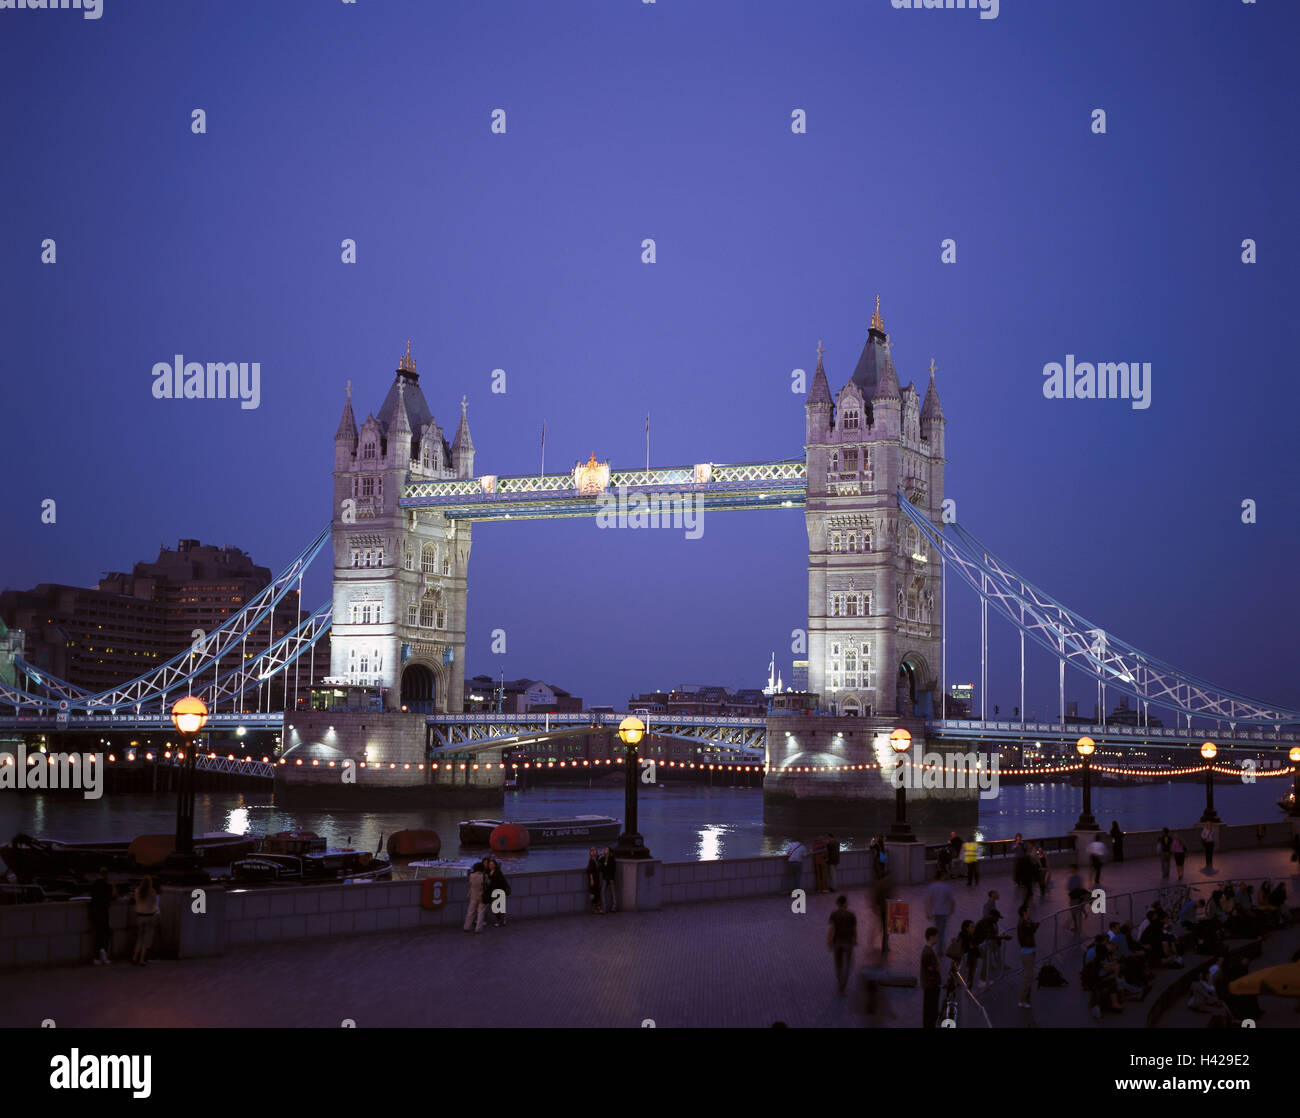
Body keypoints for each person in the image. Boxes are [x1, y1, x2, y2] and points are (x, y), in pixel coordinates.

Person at [827, 895, 857, 995]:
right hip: (848, 943)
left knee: (838, 964)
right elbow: (854, 929)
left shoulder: (834, 914)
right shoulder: (851, 915)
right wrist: (855, 939)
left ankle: (840, 981)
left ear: (838, 904)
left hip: (837, 942)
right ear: (845, 903)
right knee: (848, 965)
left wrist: (828, 942)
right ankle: (843, 987)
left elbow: (831, 929)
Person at [88, 866, 115, 966]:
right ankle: (103, 954)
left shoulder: (94, 885)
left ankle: (96, 957)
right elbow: (113, 896)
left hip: (95, 913)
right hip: (104, 913)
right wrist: (114, 886)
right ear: (106, 875)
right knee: (104, 934)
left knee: (98, 935)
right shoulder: (107, 886)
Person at [131, 875, 159, 965]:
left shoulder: (137, 891)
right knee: (147, 940)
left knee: (139, 938)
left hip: (140, 916)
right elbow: (154, 903)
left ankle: (134, 957)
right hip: (150, 916)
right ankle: (142, 959)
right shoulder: (152, 891)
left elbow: (135, 901)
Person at [925, 876, 956, 953]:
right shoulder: (946, 887)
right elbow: (952, 900)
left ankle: (938, 946)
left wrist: (928, 912)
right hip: (944, 912)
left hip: (935, 912)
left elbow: (928, 900)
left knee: (938, 928)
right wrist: (952, 909)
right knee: (942, 930)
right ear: (942, 877)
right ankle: (940, 948)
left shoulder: (932, 887)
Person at [1016, 904, 1039, 1008]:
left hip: (1029, 950)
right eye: (1028, 909)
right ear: (1024, 912)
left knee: (1029, 975)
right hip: (1027, 951)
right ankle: (1022, 999)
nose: (1030, 911)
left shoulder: (1026, 921)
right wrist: (1034, 924)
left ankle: (1026, 998)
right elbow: (1031, 929)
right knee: (1028, 976)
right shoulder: (1023, 923)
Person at [920, 926, 942, 1028]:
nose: (938, 938)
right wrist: (937, 967)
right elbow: (936, 968)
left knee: (930, 1011)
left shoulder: (927, 951)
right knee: (931, 1012)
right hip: (931, 986)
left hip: (930, 985)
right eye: (936, 936)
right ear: (931, 937)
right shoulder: (928, 952)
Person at [485, 856, 511, 926]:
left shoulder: (498, 872)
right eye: (490, 864)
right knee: (496, 907)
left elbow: (500, 882)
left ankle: (501, 921)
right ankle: (501, 920)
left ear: (495, 865)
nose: (491, 866)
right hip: (493, 891)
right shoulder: (488, 872)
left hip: (499, 891)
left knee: (498, 907)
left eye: (492, 864)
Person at [464, 861, 488, 932]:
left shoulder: (471, 875)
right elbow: (488, 883)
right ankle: (478, 928)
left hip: (473, 895)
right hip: (482, 896)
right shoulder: (484, 876)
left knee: (471, 911)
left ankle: (467, 926)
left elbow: (470, 883)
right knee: (481, 912)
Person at [585, 848, 604, 913]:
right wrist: (591, 880)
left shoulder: (595, 859)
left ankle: (597, 908)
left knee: (597, 893)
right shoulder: (591, 861)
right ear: (590, 853)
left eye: (595, 851)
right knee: (594, 894)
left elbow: (598, 856)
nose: (594, 852)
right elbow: (590, 871)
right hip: (593, 879)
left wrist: (601, 853)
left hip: (597, 879)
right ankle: (595, 908)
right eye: (592, 851)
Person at [600, 847, 617, 914]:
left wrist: (612, 878)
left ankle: (614, 907)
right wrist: (599, 854)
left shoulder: (612, 859)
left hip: (610, 878)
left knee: (613, 892)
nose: (605, 850)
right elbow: (598, 861)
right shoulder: (602, 859)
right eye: (604, 849)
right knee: (602, 891)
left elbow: (613, 869)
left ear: (609, 851)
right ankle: (604, 908)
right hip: (605, 878)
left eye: (606, 849)